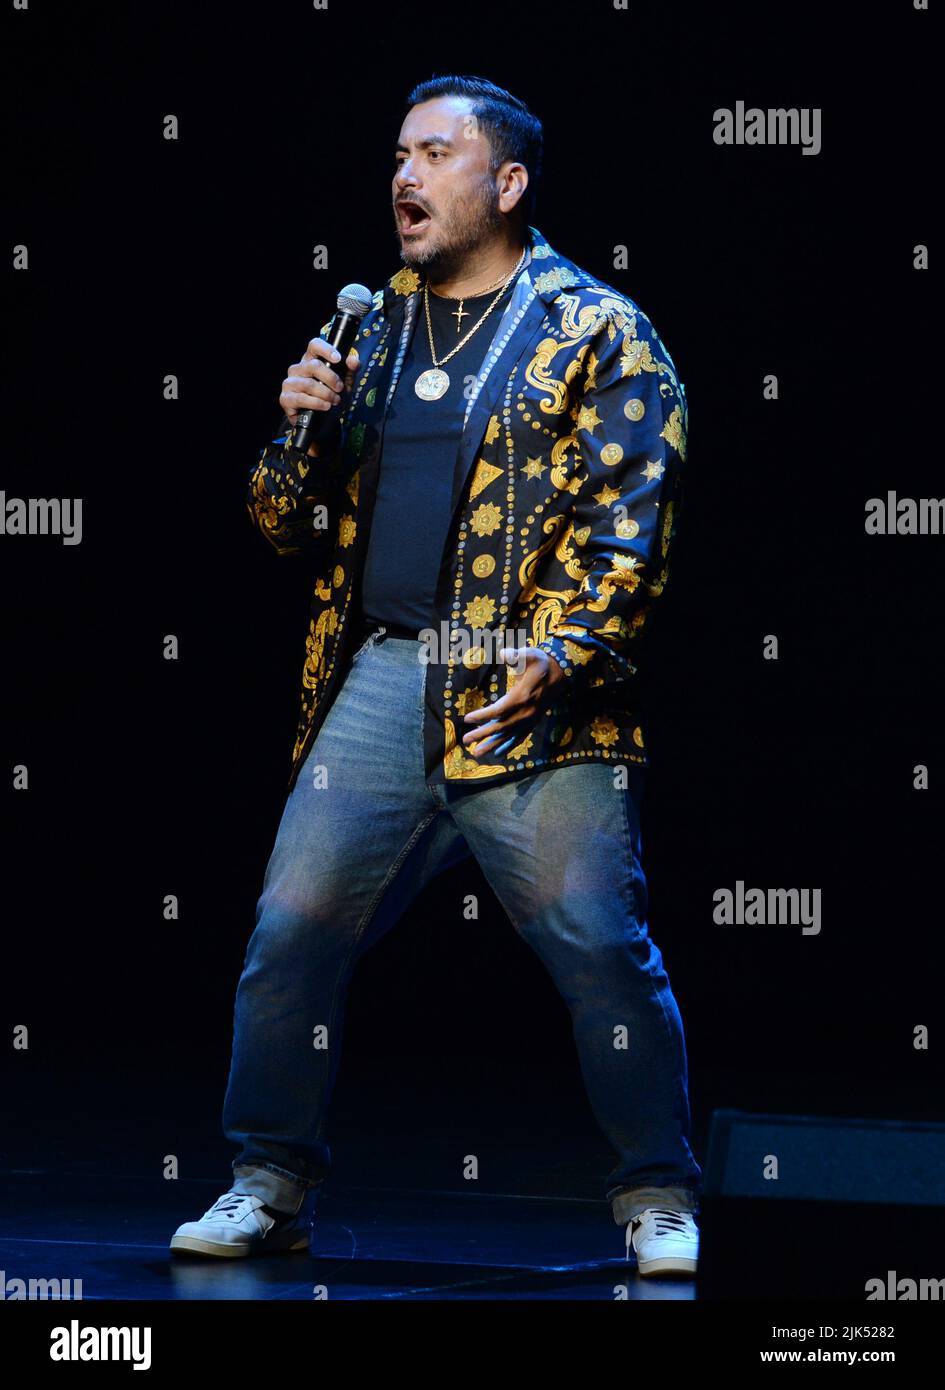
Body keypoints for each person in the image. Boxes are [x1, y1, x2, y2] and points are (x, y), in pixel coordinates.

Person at [170, 75, 701, 1278]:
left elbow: (636, 515)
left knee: (597, 941)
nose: (404, 177)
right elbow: (279, 524)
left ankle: (657, 1193)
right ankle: (269, 1180)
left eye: (436, 154)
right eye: (399, 154)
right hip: (383, 672)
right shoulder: (370, 324)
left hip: (532, 685)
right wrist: (295, 425)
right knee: (289, 934)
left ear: (506, 182)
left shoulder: (594, 327)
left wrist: (564, 652)